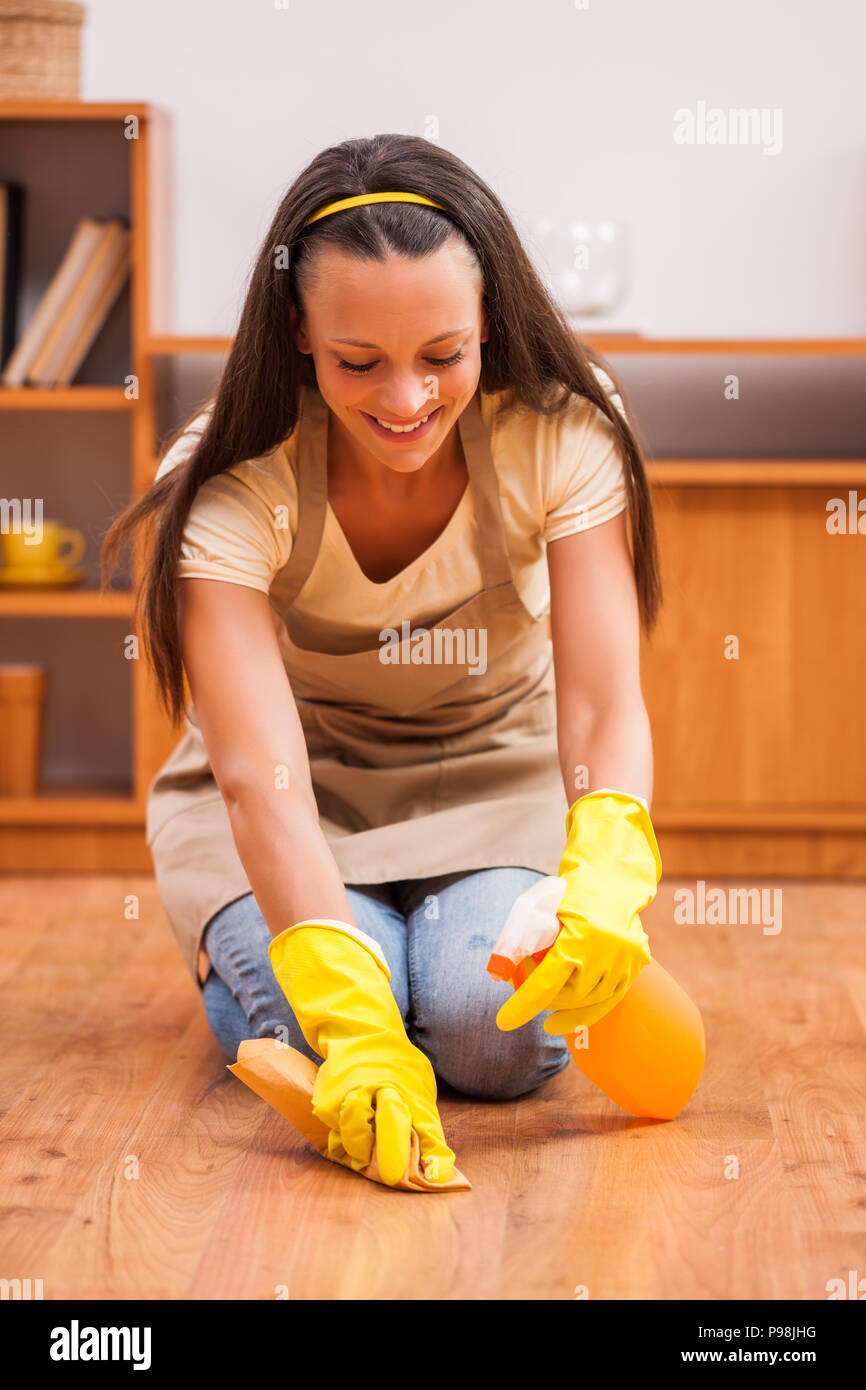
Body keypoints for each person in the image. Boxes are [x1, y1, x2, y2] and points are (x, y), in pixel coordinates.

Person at [102, 134, 663, 1187]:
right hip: (290, 793)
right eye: (359, 362)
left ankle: (334, 977)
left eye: (442, 354)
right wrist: (354, 1022)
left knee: (486, 1035)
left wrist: (605, 866)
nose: (405, 400)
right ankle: (283, 977)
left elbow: (596, 703)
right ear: (299, 338)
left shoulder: (561, 426)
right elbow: (255, 780)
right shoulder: (224, 480)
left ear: (488, 324)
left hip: (493, 773)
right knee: (342, 1029)